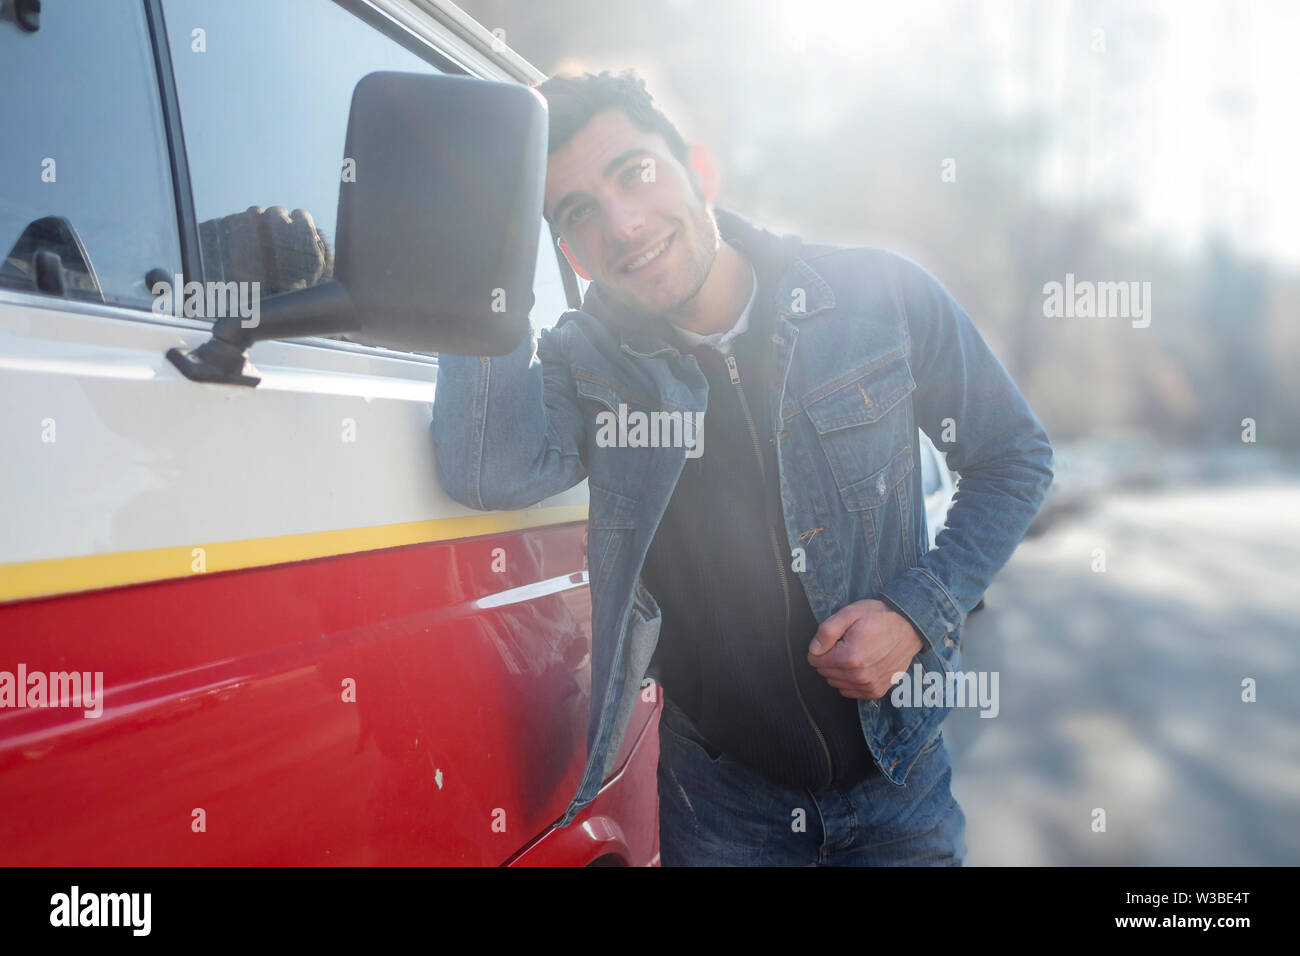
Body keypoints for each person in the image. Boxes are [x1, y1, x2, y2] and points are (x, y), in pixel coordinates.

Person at [430, 69, 1054, 866]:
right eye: (577, 213)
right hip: (722, 803)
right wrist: (488, 243)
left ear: (701, 171)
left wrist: (918, 614)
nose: (620, 224)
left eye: (635, 172)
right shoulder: (588, 364)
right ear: (568, 253)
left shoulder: (881, 295)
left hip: (901, 784)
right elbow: (485, 465)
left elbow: (1014, 456)